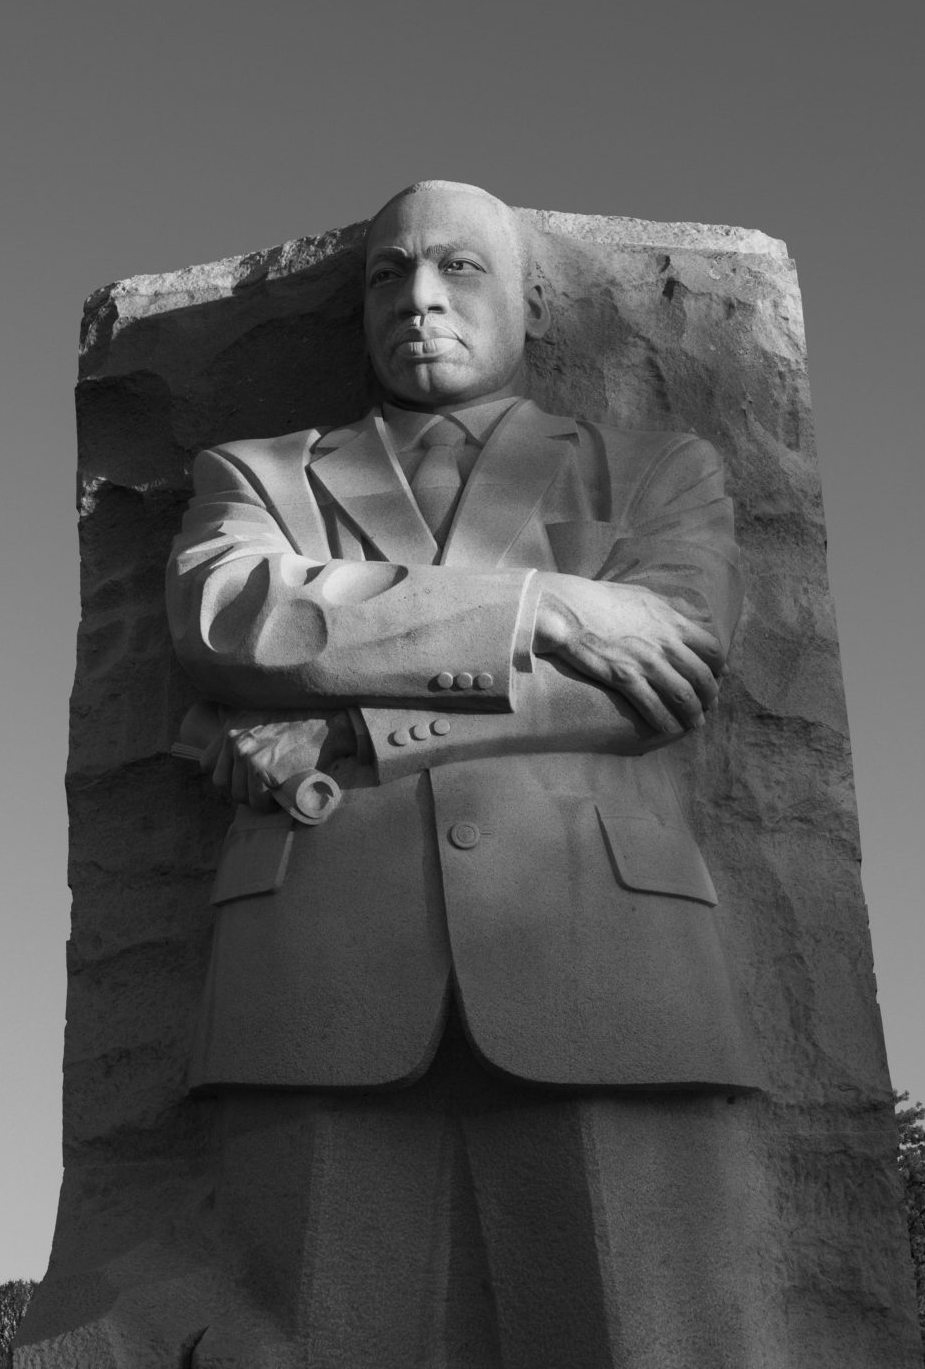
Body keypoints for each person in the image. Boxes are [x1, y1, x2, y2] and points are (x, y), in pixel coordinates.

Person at [164, 180, 764, 1368]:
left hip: (607, 964)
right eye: (388, 275)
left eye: (458, 268)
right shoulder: (257, 475)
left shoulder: (651, 467)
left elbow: (662, 675)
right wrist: (537, 606)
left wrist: (351, 733)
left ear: (531, 304)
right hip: (315, 975)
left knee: (641, 1342)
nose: (419, 299)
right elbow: (236, 620)